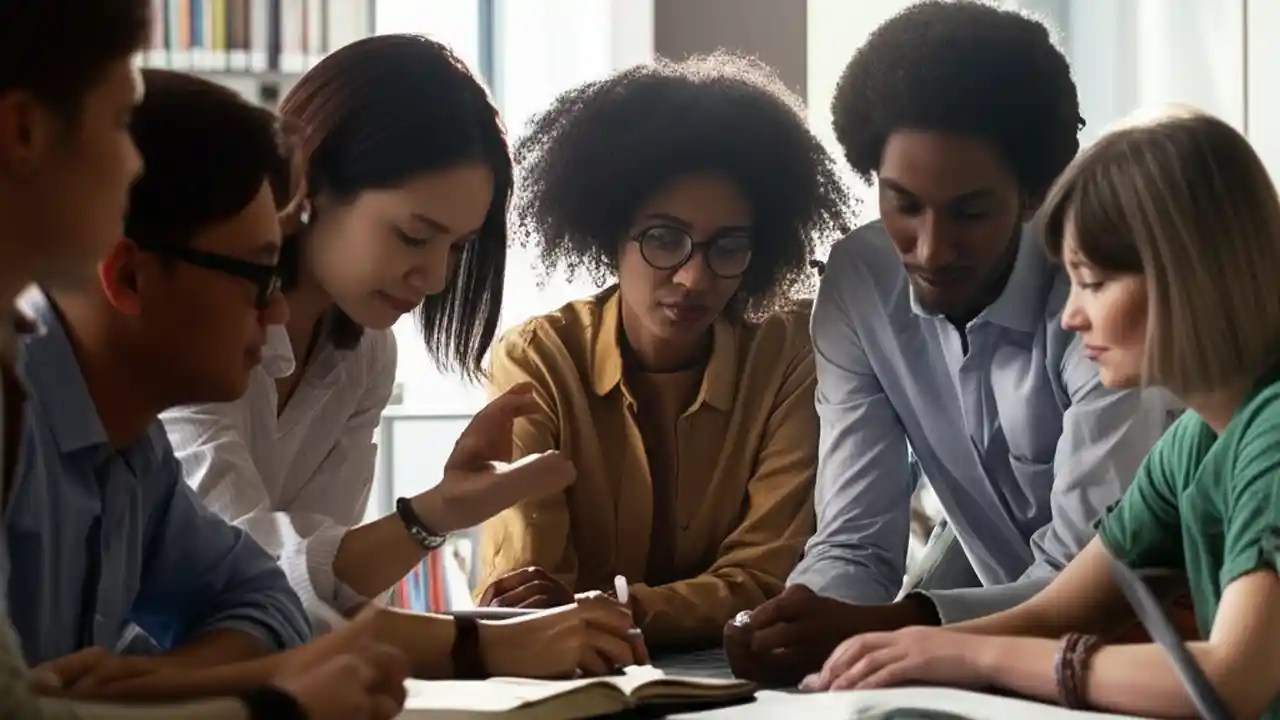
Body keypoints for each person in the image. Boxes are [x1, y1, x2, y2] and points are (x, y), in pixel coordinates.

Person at [161, 33, 642, 679]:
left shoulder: (364, 353)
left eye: (458, 248)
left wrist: (440, 511)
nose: (436, 279)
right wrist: (487, 642)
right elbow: (245, 588)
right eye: (415, 235)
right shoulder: (201, 328)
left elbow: (321, 591)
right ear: (311, 183)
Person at [726, 0, 1178, 684]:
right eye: (904, 204)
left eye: (970, 212)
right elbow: (854, 541)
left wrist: (900, 626)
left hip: (1144, 655)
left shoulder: (1104, 299)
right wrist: (799, 618)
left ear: (1033, 193)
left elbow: (1083, 581)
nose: (932, 249)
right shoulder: (859, 284)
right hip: (983, 660)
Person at [804, 108, 1280, 720]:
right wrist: (904, 648)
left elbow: (1228, 679)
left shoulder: (1271, 434)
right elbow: (1057, 610)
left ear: (1190, 275)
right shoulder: (1193, 444)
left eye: (1093, 282)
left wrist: (977, 657)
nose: (1072, 316)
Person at [0, 2, 403, 716]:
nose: (276, 315)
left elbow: (266, 598)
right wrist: (279, 703)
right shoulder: (21, 418)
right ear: (129, 277)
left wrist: (162, 684)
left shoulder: (134, 447)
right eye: (258, 277)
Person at [474, 52, 851, 650]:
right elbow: (526, 591)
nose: (694, 278)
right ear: (609, 235)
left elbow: (766, 578)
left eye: (728, 246)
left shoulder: (789, 356)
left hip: (738, 672)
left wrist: (607, 610)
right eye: (664, 239)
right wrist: (588, 613)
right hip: (569, 671)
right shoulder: (539, 359)